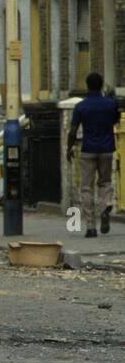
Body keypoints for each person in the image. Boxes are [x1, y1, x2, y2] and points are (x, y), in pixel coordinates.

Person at [67, 71, 121, 238]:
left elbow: (73, 131)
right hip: (106, 149)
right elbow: (115, 120)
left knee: (86, 187)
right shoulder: (110, 104)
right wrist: (112, 100)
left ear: (87, 85)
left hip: (88, 149)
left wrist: (69, 148)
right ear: (101, 84)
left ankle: (91, 226)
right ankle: (105, 208)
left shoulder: (81, 106)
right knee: (105, 182)